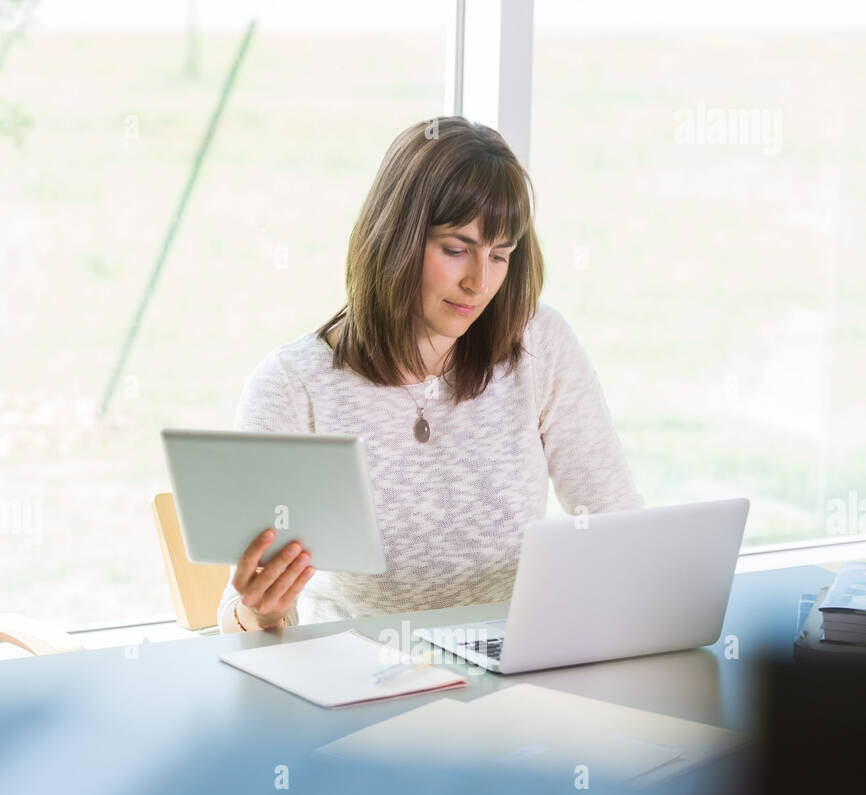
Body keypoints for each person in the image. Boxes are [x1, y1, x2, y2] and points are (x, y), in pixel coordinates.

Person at [218, 116, 643, 634]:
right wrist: (261, 611)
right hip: (362, 670)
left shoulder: (539, 344)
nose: (479, 282)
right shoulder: (293, 385)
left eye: (500, 255)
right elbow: (239, 619)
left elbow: (617, 527)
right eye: (456, 249)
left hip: (509, 662)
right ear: (396, 239)